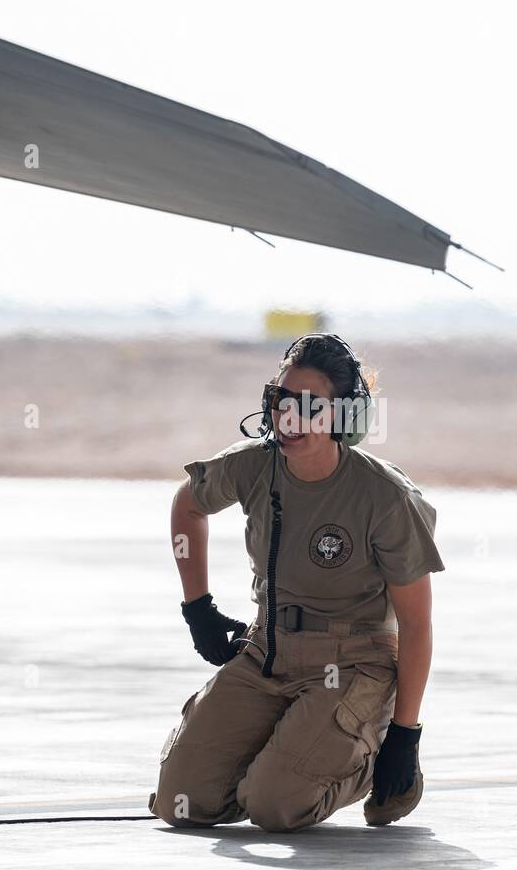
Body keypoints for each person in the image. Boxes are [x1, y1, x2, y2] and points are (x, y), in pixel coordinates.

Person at [148, 333, 445, 832]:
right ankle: (286, 755)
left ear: (345, 417)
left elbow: (416, 625)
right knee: (182, 802)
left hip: (352, 665)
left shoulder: (385, 497)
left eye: (309, 406)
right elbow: (189, 504)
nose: (290, 417)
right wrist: (197, 607)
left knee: (275, 806)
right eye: (281, 400)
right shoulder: (253, 466)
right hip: (266, 653)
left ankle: (360, 758)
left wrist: (404, 736)